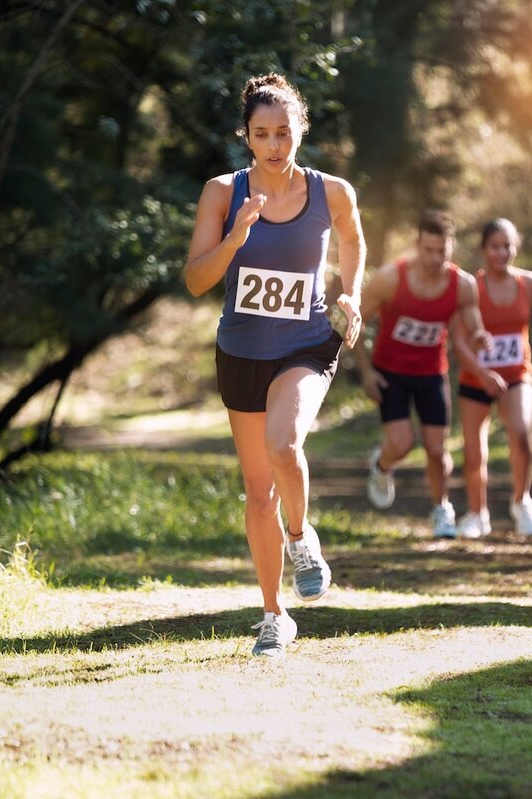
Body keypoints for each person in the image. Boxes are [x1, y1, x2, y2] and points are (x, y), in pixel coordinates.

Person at [184, 73, 365, 657]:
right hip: (241, 351)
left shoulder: (331, 191)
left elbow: (354, 242)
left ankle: (301, 537)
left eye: (284, 132)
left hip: (306, 344)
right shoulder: (221, 192)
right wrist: (235, 238)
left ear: (300, 131)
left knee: (286, 444)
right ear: (247, 136)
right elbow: (195, 281)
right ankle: (273, 614)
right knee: (258, 491)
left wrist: (350, 293)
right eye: (262, 134)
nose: (274, 144)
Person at [353, 210, 492, 538]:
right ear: (417, 245)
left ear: (451, 247)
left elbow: (474, 325)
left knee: (436, 448)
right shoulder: (390, 278)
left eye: (441, 251)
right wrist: (366, 373)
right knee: (401, 444)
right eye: (428, 250)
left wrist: (480, 337)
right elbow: (354, 324)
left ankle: (441, 510)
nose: (434, 258)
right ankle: (381, 466)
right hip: (390, 373)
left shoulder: (463, 285)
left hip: (431, 373)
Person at [452, 218, 532, 538]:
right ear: (483, 250)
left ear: (516, 247)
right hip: (475, 378)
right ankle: (476, 514)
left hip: (516, 375)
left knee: (522, 435)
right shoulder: (471, 287)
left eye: (507, 245)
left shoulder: (529, 283)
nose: (501, 252)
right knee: (473, 452)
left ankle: (522, 502)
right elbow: (456, 340)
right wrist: (482, 373)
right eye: (494, 246)